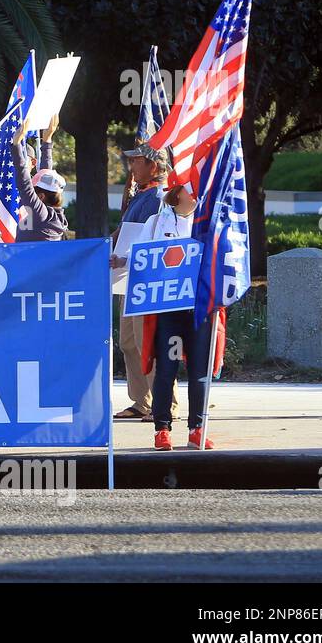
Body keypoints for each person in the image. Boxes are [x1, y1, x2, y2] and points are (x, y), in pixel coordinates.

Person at [137, 183, 218, 450]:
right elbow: (140, 256)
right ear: (178, 191)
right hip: (168, 309)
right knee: (167, 370)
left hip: (199, 309)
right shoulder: (156, 221)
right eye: (190, 185)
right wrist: (123, 260)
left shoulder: (210, 220)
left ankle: (197, 428)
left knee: (199, 371)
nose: (196, 191)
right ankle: (162, 429)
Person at [110, 144, 170, 422]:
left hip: (145, 281)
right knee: (129, 342)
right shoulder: (141, 196)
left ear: (153, 166)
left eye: (137, 161)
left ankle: (164, 403)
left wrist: (126, 259)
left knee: (149, 343)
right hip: (128, 279)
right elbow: (126, 231)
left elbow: (155, 240)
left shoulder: (157, 197)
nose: (132, 167)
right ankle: (141, 401)